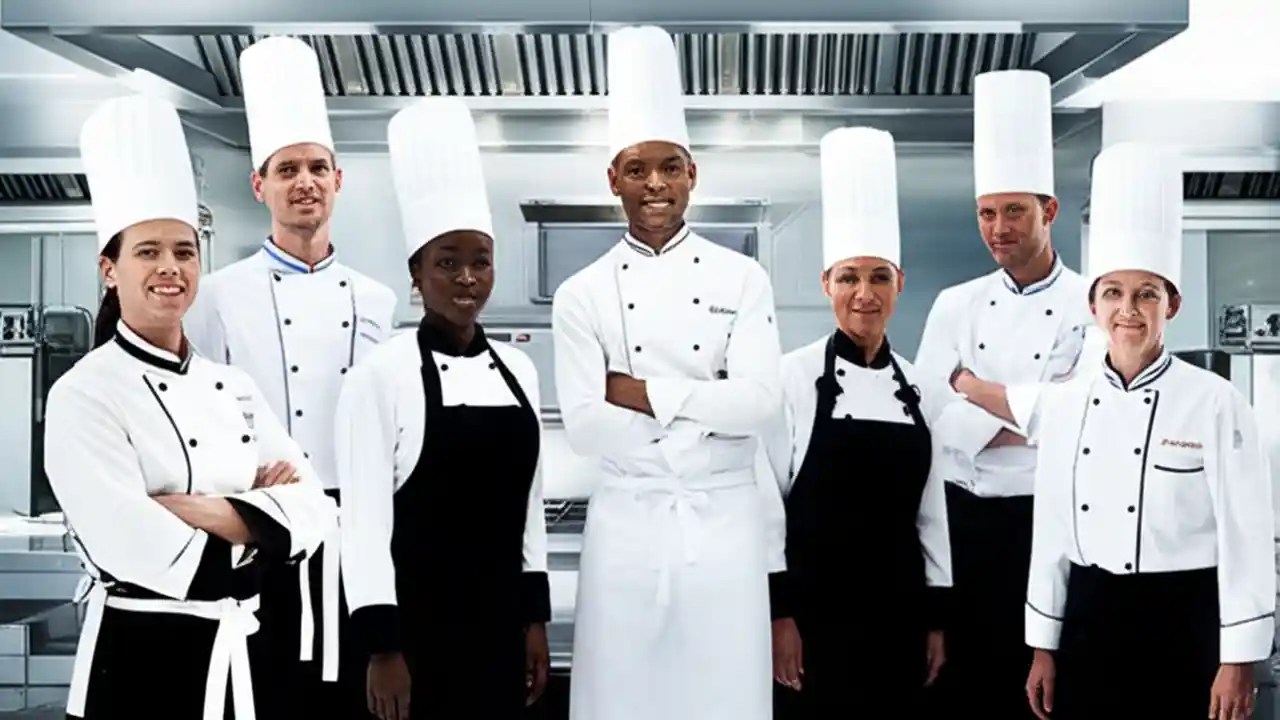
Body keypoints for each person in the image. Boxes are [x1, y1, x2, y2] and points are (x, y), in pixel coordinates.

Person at [49, 93, 336, 720]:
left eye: (184, 251)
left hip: (244, 666)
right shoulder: (83, 393)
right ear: (109, 268)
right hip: (138, 663)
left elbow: (315, 509)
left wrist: (204, 511)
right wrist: (261, 521)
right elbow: (128, 541)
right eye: (148, 251)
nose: (170, 268)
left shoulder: (232, 386)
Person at [553, 24, 783, 720]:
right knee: (619, 697)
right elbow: (589, 429)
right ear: (612, 179)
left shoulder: (743, 277)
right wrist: (707, 406)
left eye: (670, 166)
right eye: (636, 167)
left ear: (693, 174)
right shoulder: (581, 293)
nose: (655, 184)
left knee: (726, 696)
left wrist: (641, 392)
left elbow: (761, 403)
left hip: (725, 531)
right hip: (627, 529)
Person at [183, 35, 398, 716]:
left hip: (353, 525)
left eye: (316, 167)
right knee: (267, 691)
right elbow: (201, 407)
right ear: (261, 185)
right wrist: (246, 471)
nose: (304, 182)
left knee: (351, 698)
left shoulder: (377, 297)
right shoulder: (215, 292)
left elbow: (384, 418)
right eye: (286, 170)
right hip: (262, 524)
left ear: (338, 181)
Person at [1022, 143, 1275, 720]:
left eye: (1146, 294)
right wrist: (1043, 644)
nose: (1128, 309)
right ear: (1093, 304)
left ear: (1172, 303)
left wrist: (1238, 661)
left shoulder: (1216, 401)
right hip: (1090, 621)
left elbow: (1247, 539)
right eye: (1113, 292)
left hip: (1183, 621)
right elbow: (1052, 534)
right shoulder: (1066, 404)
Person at [335, 97, 550, 720]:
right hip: (414, 635)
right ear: (417, 273)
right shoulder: (381, 375)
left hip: (499, 630)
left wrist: (534, 619)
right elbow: (365, 525)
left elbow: (528, 510)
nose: (466, 278)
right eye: (447, 262)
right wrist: (382, 648)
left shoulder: (520, 370)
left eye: (479, 261)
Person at [913, 69, 1103, 719]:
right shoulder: (954, 303)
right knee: (964, 694)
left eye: (1014, 211)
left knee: (1045, 695)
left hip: (1049, 526)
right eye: (987, 213)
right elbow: (930, 411)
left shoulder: (1095, 300)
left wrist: (972, 386)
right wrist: (1026, 414)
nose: (999, 228)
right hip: (966, 528)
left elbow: (1082, 417)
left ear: (1048, 211)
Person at [761, 127, 954, 718]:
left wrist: (936, 620)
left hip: (897, 612)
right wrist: (779, 617)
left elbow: (933, 516)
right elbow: (767, 507)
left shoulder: (923, 387)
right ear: (826, 285)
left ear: (900, 284)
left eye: (879, 277)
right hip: (814, 617)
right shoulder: (789, 379)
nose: (864, 294)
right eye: (849, 277)